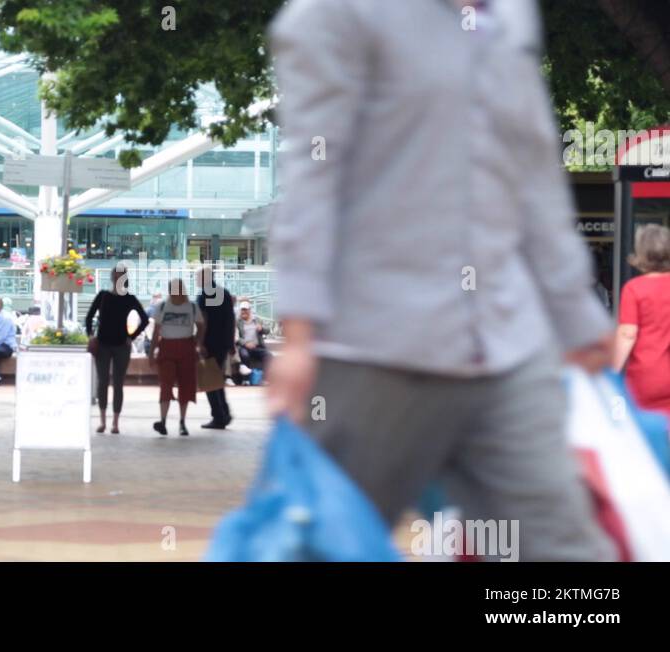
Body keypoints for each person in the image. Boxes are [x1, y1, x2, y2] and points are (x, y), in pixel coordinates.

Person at [267, 0, 615, 560]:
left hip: (507, 347)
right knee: (320, 545)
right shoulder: (336, 14)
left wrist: (575, 313)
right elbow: (312, 171)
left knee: (565, 554)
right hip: (371, 349)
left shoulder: (514, 14)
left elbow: (533, 170)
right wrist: (299, 334)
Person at [85, 265, 149, 434]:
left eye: (121, 275)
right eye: (116, 275)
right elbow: (89, 316)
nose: (118, 278)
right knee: (103, 382)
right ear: (113, 277)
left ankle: (115, 422)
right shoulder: (103, 296)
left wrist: (132, 336)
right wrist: (91, 335)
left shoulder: (130, 298)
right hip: (103, 344)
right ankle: (103, 420)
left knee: (118, 383)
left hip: (121, 344)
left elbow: (145, 320)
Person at [615, 224, 670, 417]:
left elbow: (627, 334)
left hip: (646, 377)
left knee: (647, 437)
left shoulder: (634, 288)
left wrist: (612, 370)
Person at [148, 278, 205, 436]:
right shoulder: (162, 306)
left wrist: (197, 341)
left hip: (186, 348)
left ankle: (182, 422)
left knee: (185, 386)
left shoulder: (192, 307)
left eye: (178, 288)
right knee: (165, 385)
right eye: (173, 288)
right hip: (167, 348)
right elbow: (155, 332)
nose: (176, 292)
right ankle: (163, 421)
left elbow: (201, 326)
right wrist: (151, 353)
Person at [195, 266, 234, 429]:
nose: (196, 280)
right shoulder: (224, 293)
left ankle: (219, 416)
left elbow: (203, 321)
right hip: (223, 342)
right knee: (217, 379)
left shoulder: (203, 296)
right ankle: (224, 413)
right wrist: (231, 343)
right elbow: (231, 318)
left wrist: (200, 343)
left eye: (197, 277)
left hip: (210, 343)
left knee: (210, 381)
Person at [235, 301, 270, 374]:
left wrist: (262, 329)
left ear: (249, 310)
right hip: (244, 347)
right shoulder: (238, 322)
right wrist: (245, 343)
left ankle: (265, 377)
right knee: (244, 355)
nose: (244, 312)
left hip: (257, 346)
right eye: (242, 310)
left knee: (268, 356)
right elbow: (236, 337)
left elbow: (268, 330)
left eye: (245, 310)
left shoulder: (257, 320)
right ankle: (246, 379)